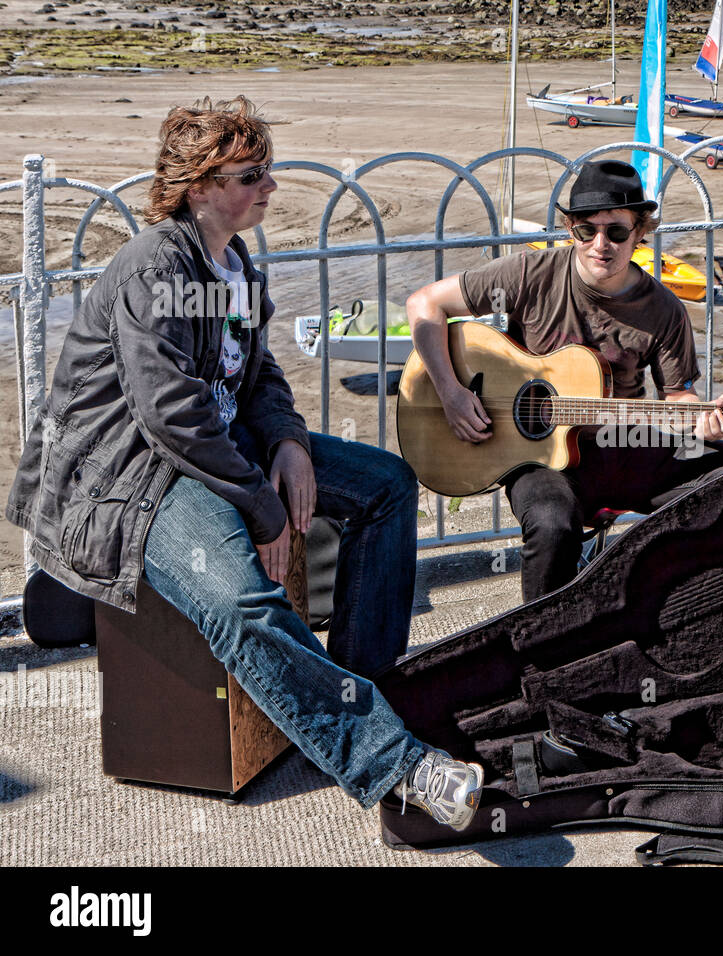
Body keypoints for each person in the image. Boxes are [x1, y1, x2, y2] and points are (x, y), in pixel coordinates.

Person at [6, 97, 483, 829]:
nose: (270, 187)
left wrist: (289, 441)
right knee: (239, 603)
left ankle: (359, 692)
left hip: (216, 447)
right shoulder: (153, 267)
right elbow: (169, 413)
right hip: (135, 475)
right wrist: (263, 504)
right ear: (199, 186)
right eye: (251, 174)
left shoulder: (233, 261)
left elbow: (255, 374)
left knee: (384, 486)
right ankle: (395, 763)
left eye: (269, 171)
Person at [406, 159, 723, 602]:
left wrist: (701, 418)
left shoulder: (664, 310)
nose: (601, 244)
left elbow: (678, 396)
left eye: (617, 231)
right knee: (553, 523)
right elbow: (424, 305)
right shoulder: (530, 274)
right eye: (587, 230)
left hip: (620, 444)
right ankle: (542, 647)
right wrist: (451, 393)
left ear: (641, 231)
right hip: (533, 454)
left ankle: (691, 603)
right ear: (571, 229)